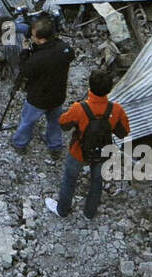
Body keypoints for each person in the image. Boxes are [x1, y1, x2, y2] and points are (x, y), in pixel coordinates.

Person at [48, 68, 130, 220]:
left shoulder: (79, 108)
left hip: (78, 151)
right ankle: (89, 213)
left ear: (90, 86)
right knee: (97, 181)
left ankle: (63, 210)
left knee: (70, 178)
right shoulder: (116, 109)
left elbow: (63, 123)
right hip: (103, 152)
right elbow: (124, 132)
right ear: (109, 89)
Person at [10, 12, 73, 154]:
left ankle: (20, 143)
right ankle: (55, 146)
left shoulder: (37, 59)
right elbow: (70, 53)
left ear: (42, 39)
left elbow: (25, 71)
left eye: (33, 36)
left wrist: (25, 52)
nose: (31, 37)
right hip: (57, 96)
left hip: (38, 98)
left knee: (27, 121)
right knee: (55, 122)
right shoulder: (64, 49)